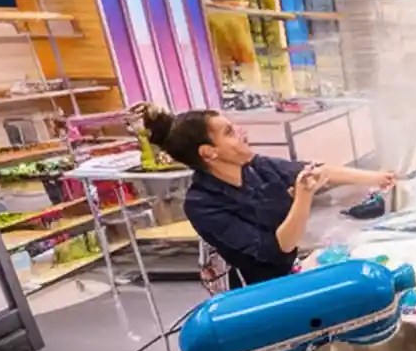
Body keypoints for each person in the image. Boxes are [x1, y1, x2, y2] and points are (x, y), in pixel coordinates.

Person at [138, 105, 396, 286]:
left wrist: (377, 178)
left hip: (293, 269)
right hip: (262, 291)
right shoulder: (202, 204)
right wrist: (303, 197)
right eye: (229, 132)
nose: (241, 133)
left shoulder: (257, 167)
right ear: (208, 152)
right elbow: (280, 248)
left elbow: (319, 171)